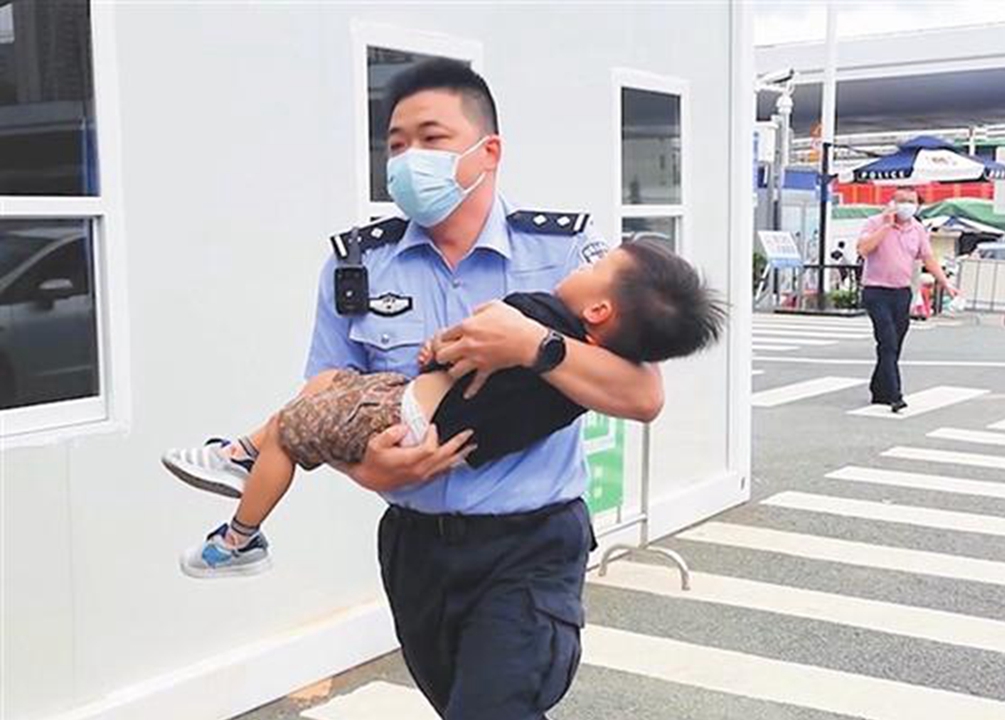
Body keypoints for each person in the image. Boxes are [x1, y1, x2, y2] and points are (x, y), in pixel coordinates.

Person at [168, 58, 666, 720]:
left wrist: (532, 346)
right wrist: (365, 468)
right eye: (395, 144)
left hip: (531, 544)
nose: (407, 159)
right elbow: (321, 394)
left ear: (488, 151)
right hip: (416, 547)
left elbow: (642, 395)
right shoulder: (357, 265)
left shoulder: (568, 257)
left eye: (431, 139)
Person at [164, 241, 723, 577]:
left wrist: (437, 348)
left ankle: (240, 535)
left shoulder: (533, 310)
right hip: (428, 444)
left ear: (599, 307)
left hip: (403, 419)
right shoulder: (579, 386)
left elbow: (454, 345)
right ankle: (239, 455)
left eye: (596, 265)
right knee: (330, 384)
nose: (582, 263)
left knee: (289, 429)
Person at [856, 187, 956, 413]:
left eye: (911, 201)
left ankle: (879, 389)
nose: (906, 205)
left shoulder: (918, 229)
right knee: (887, 340)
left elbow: (928, 257)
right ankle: (895, 394)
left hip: (901, 292)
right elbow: (863, 249)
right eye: (901, 201)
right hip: (876, 290)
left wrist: (945, 282)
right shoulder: (874, 223)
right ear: (891, 202)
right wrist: (886, 226)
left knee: (893, 345)